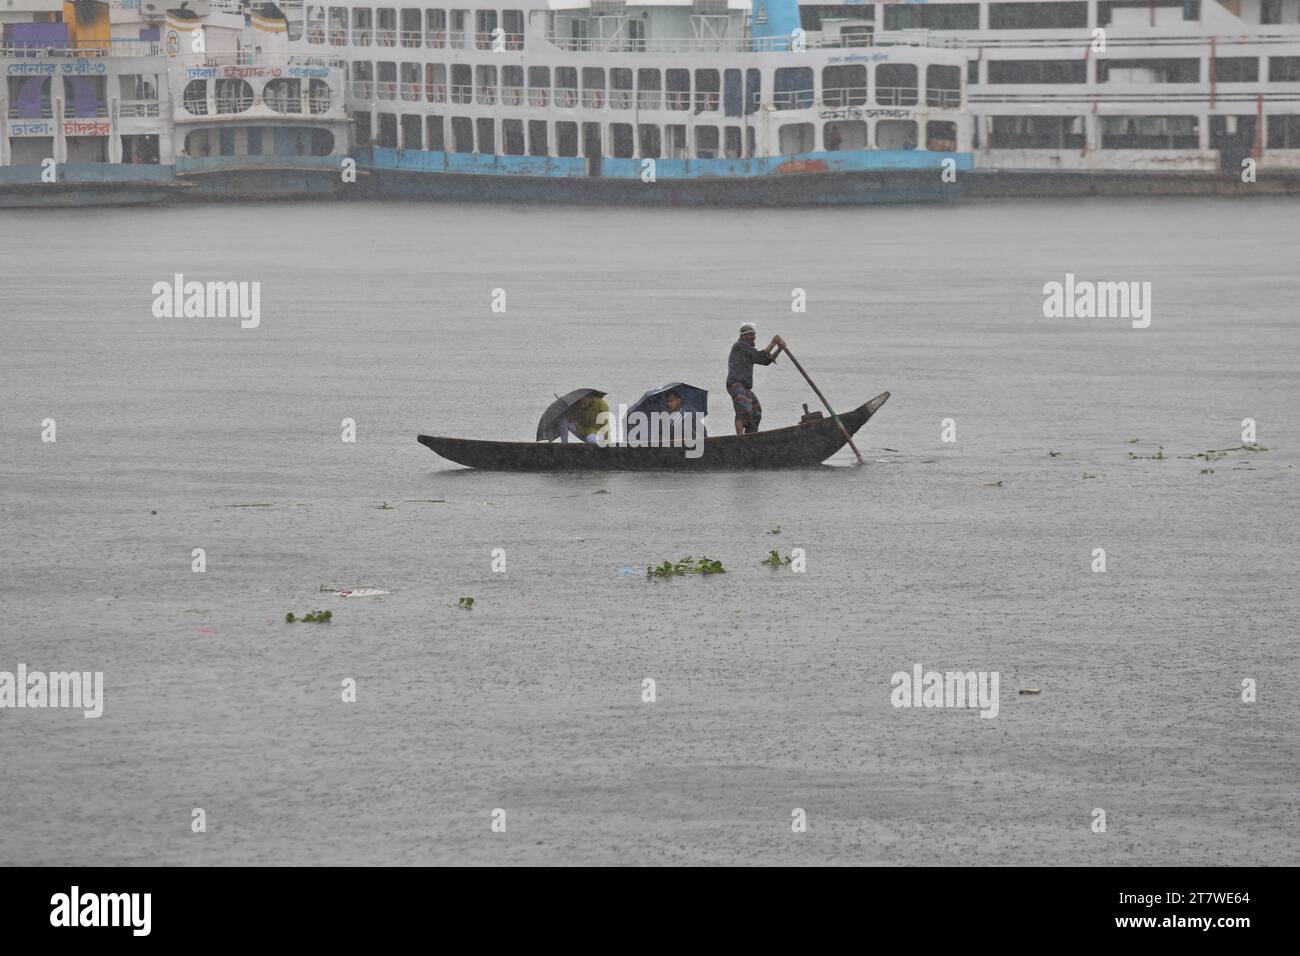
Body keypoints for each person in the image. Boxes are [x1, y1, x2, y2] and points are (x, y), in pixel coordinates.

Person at [727, 323, 783, 435]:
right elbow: (759, 355)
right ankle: (740, 437)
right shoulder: (739, 346)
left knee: (756, 413)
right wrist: (773, 343)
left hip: (746, 387)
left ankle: (750, 437)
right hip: (736, 384)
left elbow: (765, 361)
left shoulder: (749, 351)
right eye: (751, 335)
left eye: (754, 335)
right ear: (743, 336)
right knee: (743, 410)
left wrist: (779, 349)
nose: (754, 337)